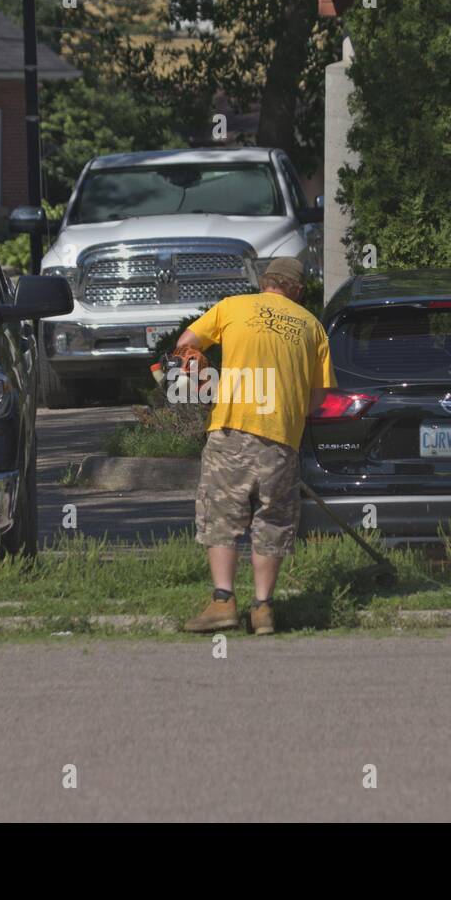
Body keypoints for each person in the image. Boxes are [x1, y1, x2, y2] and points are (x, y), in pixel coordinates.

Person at [174, 257, 336, 635]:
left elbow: (185, 345)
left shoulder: (233, 307)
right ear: (297, 291)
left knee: (222, 515)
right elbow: (319, 397)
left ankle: (222, 602)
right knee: (274, 521)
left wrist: (204, 380)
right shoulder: (312, 326)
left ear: (265, 283)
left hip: (232, 428)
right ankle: (263, 609)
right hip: (282, 438)